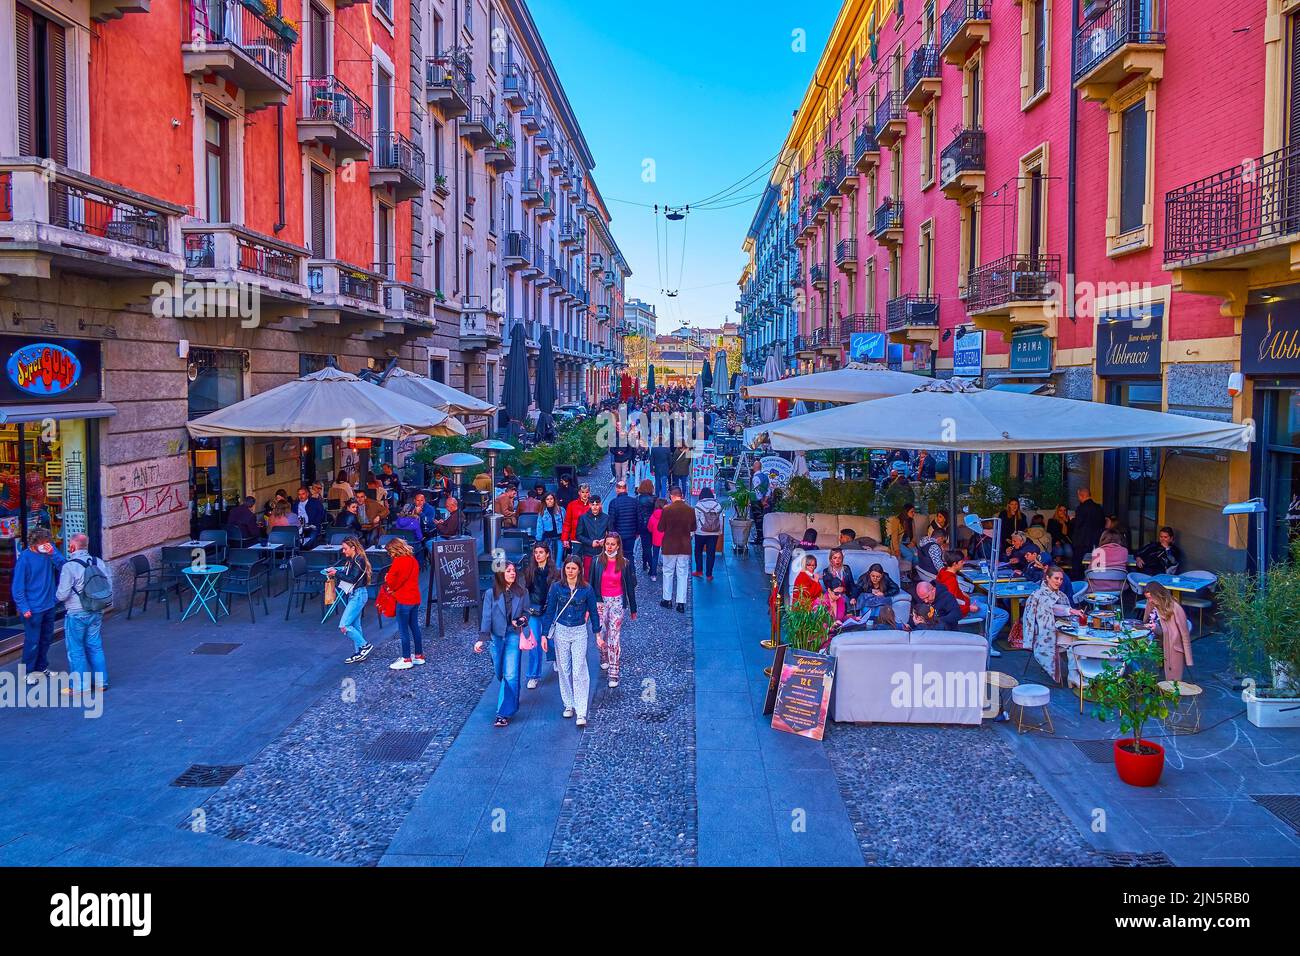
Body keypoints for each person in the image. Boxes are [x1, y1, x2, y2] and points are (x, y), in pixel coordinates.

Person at [540, 556, 602, 727]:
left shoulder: (587, 589)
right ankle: (569, 703)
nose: (570, 571)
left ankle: (581, 711)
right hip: (561, 631)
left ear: (579, 570)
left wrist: (597, 634)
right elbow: (550, 610)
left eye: (574, 568)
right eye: (568, 568)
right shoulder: (556, 588)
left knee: (579, 669)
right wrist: (544, 635)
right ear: (564, 569)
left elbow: (594, 612)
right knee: (564, 668)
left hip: (579, 631)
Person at [475, 562, 531, 728]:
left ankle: (503, 713)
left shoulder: (522, 593)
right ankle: (512, 696)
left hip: (513, 634)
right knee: (500, 671)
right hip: (496, 636)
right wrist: (481, 638)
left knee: (510, 673)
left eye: (514, 571)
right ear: (501, 574)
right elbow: (486, 617)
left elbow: (527, 613)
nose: (512, 573)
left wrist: (520, 620)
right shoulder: (491, 594)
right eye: (508, 571)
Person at [55, 533, 109, 693]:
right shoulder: (98, 562)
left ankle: (79, 686)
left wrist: (56, 598)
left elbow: (62, 594)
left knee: (76, 649)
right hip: (96, 609)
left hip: (76, 612)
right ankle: (101, 683)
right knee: (95, 646)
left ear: (72, 547)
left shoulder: (69, 566)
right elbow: (107, 584)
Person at [11, 528, 65, 685]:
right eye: (43, 543)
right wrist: (23, 607)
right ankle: (27, 672)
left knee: (46, 638)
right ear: (35, 544)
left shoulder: (50, 552)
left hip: (49, 604)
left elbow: (64, 566)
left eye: (48, 542)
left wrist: (53, 553)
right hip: (33, 608)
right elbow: (17, 587)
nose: (47, 545)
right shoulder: (25, 559)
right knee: (32, 640)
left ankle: (41, 667)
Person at [937, 549, 1009, 657]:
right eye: (961, 562)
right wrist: (969, 608)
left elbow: (948, 593)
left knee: (984, 598)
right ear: (955, 564)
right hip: (961, 610)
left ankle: (986, 629)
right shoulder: (950, 580)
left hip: (962, 602)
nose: (964, 563)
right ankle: (987, 643)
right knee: (1003, 614)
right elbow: (951, 601)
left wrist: (962, 593)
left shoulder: (943, 572)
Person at [590, 534, 638, 689]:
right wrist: (587, 607)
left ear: (618, 546)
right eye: (607, 544)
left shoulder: (625, 563)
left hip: (617, 602)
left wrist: (633, 608)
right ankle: (603, 655)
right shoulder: (596, 561)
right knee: (601, 633)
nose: (609, 547)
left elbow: (630, 586)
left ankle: (614, 672)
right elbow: (590, 586)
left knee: (614, 636)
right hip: (600, 602)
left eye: (612, 544)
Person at [1024, 565, 1086, 681]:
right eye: (1056, 578)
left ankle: (1077, 673)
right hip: (1044, 634)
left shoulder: (1061, 595)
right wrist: (1070, 610)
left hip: (1058, 631)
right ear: (1047, 578)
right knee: (1076, 643)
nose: (1059, 582)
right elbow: (1052, 607)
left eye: (1061, 579)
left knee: (1079, 640)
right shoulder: (1038, 594)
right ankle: (1074, 675)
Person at [326, 538, 374, 665]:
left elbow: (352, 578)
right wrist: (337, 571)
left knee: (344, 625)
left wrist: (336, 573)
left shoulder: (358, 561)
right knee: (356, 626)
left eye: (345, 548)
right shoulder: (356, 559)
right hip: (356, 594)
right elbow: (351, 574)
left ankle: (365, 646)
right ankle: (359, 652)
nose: (343, 551)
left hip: (357, 595)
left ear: (353, 548)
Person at [523, 543, 560, 689]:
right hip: (534, 608)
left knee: (550, 640)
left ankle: (554, 658)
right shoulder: (530, 571)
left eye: (541, 552)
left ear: (547, 554)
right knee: (534, 643)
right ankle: (533, 675)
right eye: (536, 552)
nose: (538, 555)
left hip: (549, 609)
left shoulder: (555, 572)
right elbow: (527, 590)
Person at [383, 539, 424, 671]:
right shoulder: (412, 560)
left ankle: (406, 658)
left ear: (394, 550)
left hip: (403, 599)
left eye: (390, 552)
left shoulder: (398, 562)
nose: (390, 555)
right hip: (415, 598)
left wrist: (387, 577)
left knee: (403, 630)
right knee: (415, 627)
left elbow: (393, 582)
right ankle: (419, 655)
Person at [1144, 581, 1193, 681]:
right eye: (1147, 598)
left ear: (1158, 595)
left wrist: (1188, 659)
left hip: (1171, 648)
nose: (1149, 601)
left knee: (1171, 682)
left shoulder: (1175, 608)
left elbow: (1185, 634)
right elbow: (1146, 621)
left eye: (1150, 597)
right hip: (1153, 643)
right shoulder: (1150, 604)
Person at [658, 486, 695, 613]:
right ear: (681, 495)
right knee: (682, 574)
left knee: (668, 572)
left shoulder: (667, 510)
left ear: (671, 496)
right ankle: (681, 603)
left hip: (669, 545)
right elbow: (693, 527)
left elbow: (660, 528)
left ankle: (667, 599)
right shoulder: (690, 510)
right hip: (684, 546)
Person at [1071, 488, 1105, 578]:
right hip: (1096, 540)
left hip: (1081, 540)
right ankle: (1093, 580)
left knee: (1078, 565)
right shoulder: (1099, 507)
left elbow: (1078, 524)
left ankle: (1079, 584)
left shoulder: (1081, 508)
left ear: (1081, 495)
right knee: (1094, 563)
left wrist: (1072, 520)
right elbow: (1102, 523)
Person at [692, 487, 724, 581]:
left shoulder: (699, 505)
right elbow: (720, 519)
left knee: (698, 551)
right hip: (714, 533)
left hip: (700, 532)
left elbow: (695, 520)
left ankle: (699, 571)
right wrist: (720, 531)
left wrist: (693, 532)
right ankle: (709, 574)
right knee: (711, 553)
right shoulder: (717, 505)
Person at [575, 496, 611, 578]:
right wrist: (591, 543)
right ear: (589, 505)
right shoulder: (583, 518)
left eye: (597, 504)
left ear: (600, 505)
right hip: (588, 552)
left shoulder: (606, 518)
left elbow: (611, 534)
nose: (595, 507)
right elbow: (578, 535)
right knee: (588, 576)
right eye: (593, 504)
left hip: (602, 553)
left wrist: (605, 541)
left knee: (602, 576)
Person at [606, 479, 641, 562]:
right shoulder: (634, 502)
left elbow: (611, 521)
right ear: (626, 489)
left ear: (616, 489)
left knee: (618, 556)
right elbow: (639, 519)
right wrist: (637, 532)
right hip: (631, 534)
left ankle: (619, 574)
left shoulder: (613, 503)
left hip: (618, 535)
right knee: (629, 555)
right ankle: (631, 573)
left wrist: (612, 535)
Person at [820, 548, 856, 621]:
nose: (837, 560)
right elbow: (829, 588)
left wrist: (853, 597)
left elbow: (852, 585)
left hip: (847, 594)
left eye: (840, 558)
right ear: (830, 559)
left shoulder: (846, 569)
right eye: (835, 558)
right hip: (835, 596)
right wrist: (832, 577)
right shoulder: (826, 571)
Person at [534, 491, 565, 565]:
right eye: (547, 499)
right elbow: (539, 527)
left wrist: (566, 538)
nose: (550, 501)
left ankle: (557, 575)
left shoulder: (561, 510)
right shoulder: (542, 512)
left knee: (558, 561)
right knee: (549, 562)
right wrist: (538, 540)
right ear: (545, 501)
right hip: (547, 540)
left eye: (551, 499)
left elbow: (566, 524)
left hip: (559, 539)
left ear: (554, 500)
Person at [562, 483, 591, 557]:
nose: (585, 494)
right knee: (576, 562)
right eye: (583, 492)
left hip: (589, 539)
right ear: (579, 493)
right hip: (575, 539)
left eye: (587, 492)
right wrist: (565, 538)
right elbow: (567, 522)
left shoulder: (594, 505)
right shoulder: (572, 505)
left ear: (589, 493)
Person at [634, 479, 657, 576]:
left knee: (645, 546)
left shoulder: (637, 499)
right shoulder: (654, 499)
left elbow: (636, 514)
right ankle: (652, 566)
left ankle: (645, 563)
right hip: (652, 525)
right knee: (651, 546)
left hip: (642, 526)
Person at [646, 496, 667, 581]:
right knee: (666, 556)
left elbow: (649, 528)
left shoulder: (653, 516)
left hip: (656, 539)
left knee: (655, 557)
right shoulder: (667, 515)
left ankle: (653, 574)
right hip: (665, 539)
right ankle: (665, 569)